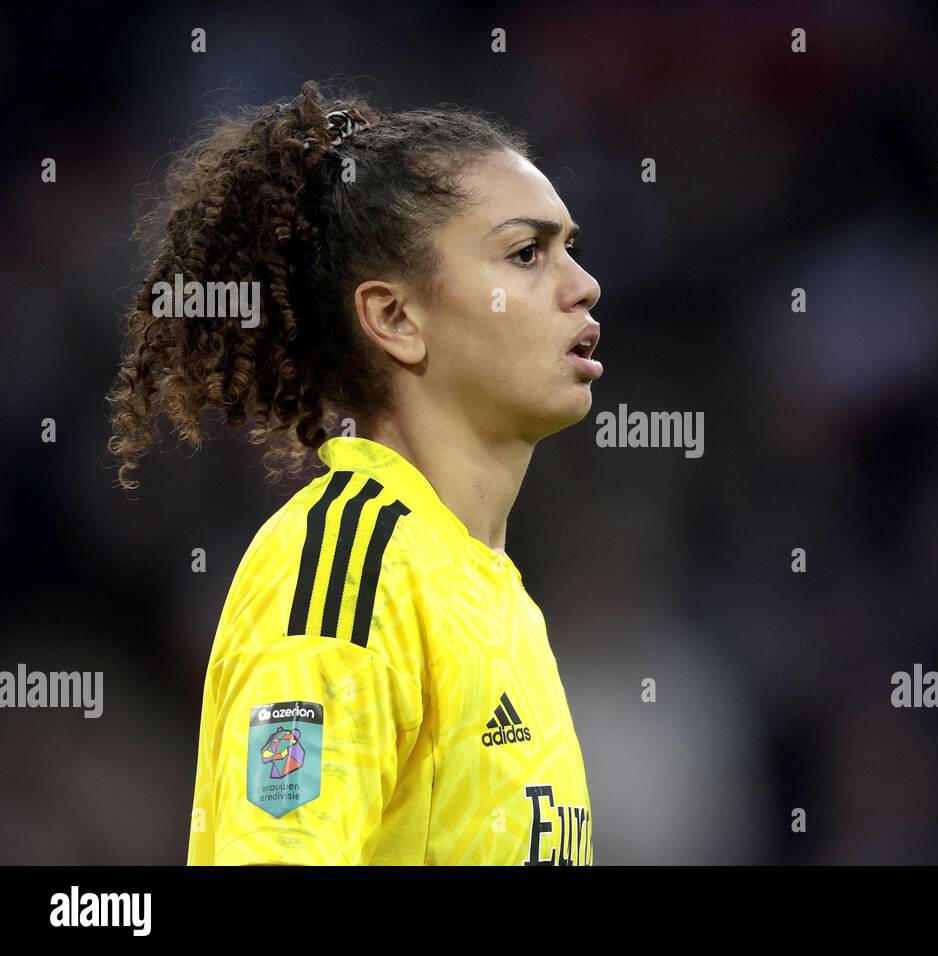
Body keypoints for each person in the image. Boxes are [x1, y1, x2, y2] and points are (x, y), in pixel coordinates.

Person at [105, 81, 601, 865]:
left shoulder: (493, 595)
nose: (582, 285)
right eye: (526, 253)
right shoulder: (347, 569)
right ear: (396, 318)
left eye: (572, 248)